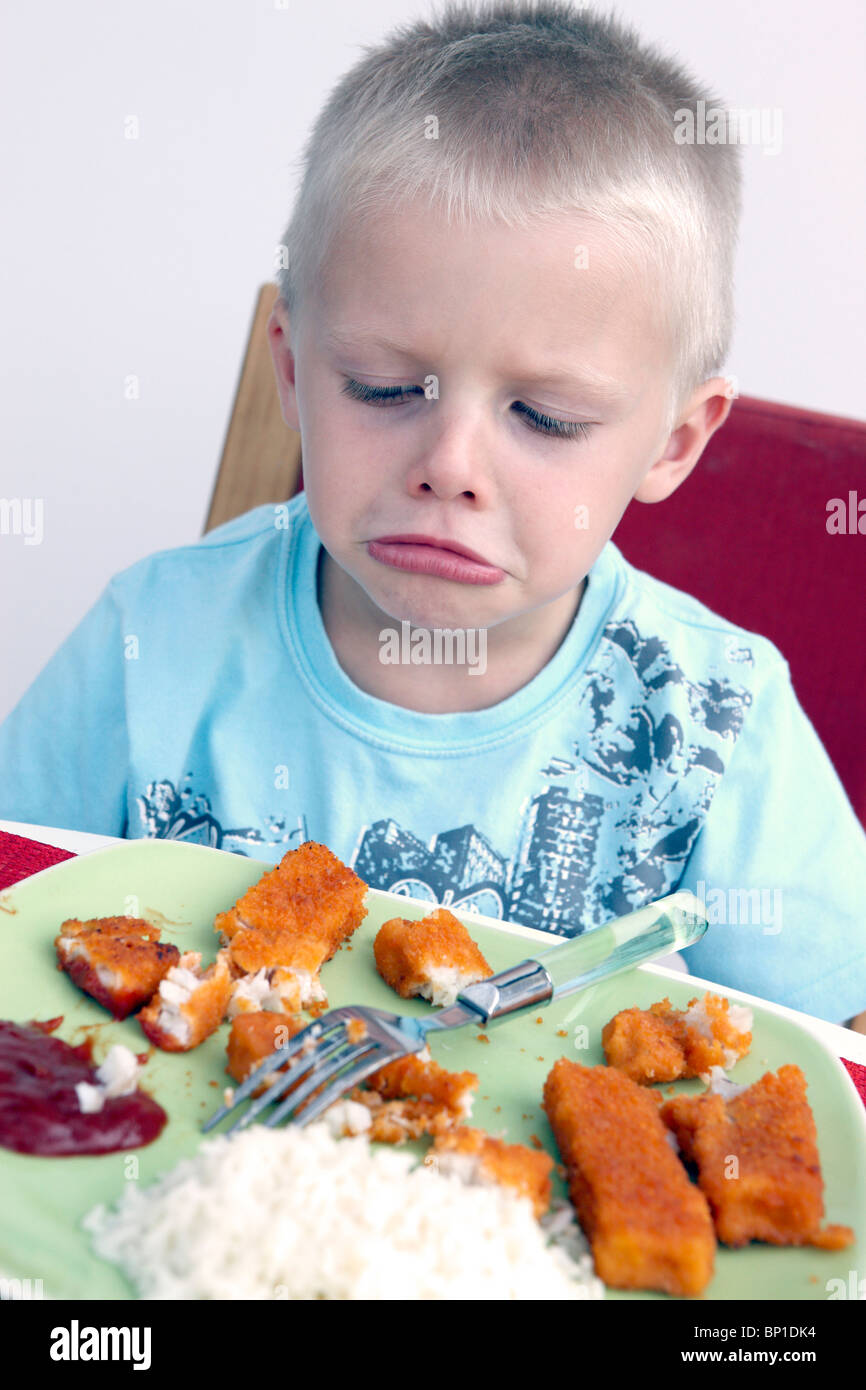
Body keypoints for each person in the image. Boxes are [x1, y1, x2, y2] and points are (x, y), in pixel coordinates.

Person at [1, 1, 865, 1028]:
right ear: (291, 365)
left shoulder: (717, 723)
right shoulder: (153, 641)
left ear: (672, 442)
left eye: (545, 417)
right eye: (379, 387)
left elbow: (834, 1052)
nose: (448, 467)